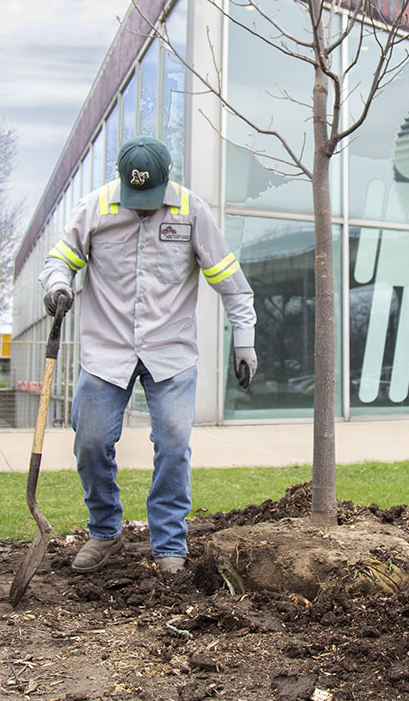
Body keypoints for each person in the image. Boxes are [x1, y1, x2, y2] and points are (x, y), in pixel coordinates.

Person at [40, 136, 257, 577]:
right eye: (136, 200)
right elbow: (58, 260)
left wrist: (245, 339)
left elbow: (230, 281)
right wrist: (57, 286)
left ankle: (169, 544)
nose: (143, 209)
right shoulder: (95, 208)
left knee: (173, 447)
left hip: (170, 350)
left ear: (167, 178)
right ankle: (104, 531)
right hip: (107, 350)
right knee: (91, 443)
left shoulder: (192, 212)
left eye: (151, 200)